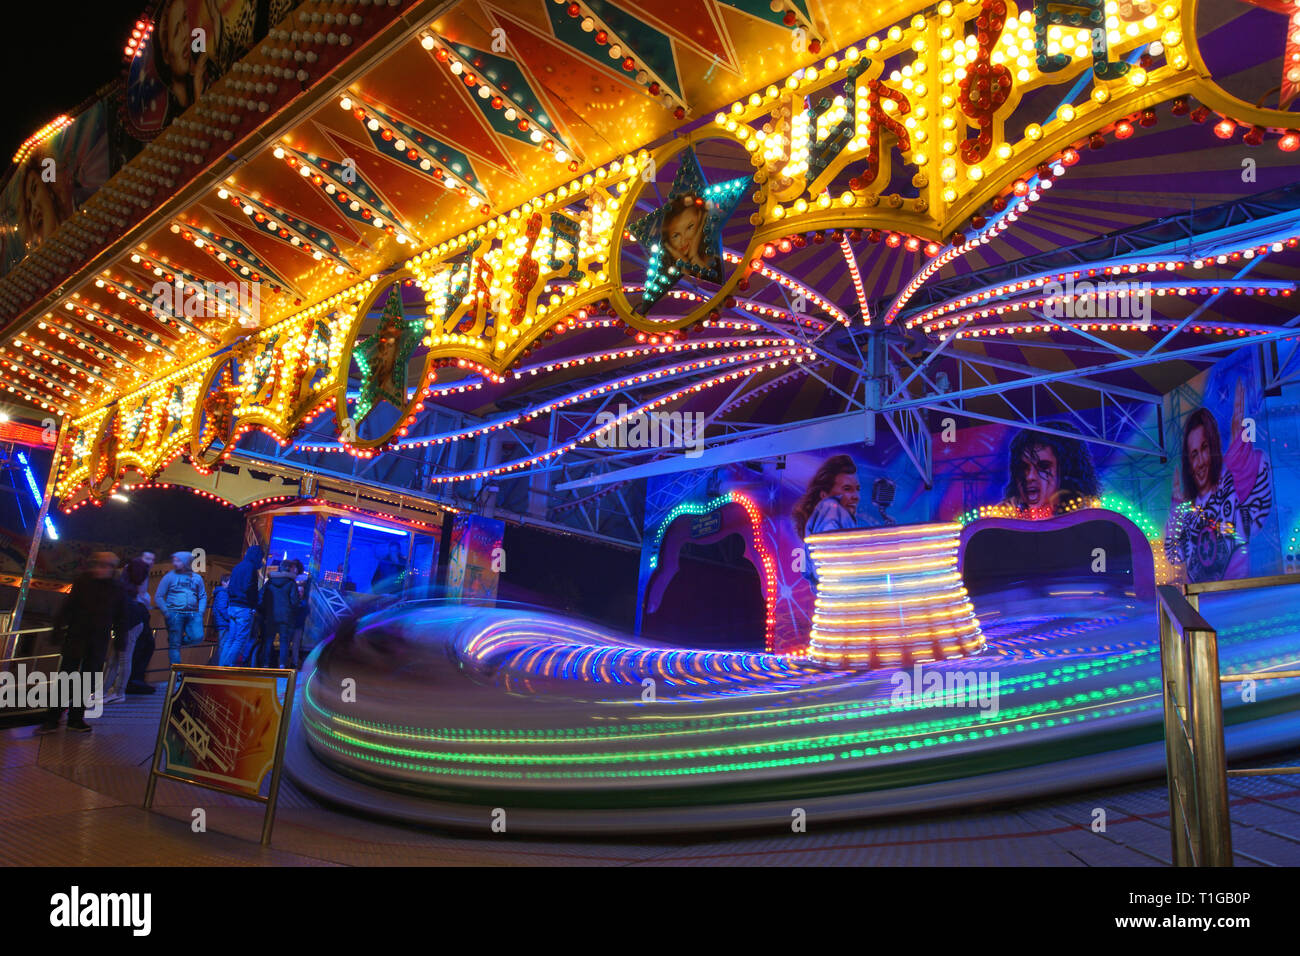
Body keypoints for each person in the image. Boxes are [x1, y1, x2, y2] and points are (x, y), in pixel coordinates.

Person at [1164, 406, 1271, 583]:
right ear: (1188, 462)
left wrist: (1240, 454)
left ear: (1213, 446)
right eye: (1194, 455)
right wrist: (1176, 508)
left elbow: (1257, 512)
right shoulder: (1188, 511)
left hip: (1235, 598)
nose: (1200, 462)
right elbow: (1174, 556)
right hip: (1201, 601)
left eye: (1205, 448)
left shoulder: (1232, 487)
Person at [38, 553, 128, 735]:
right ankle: (54, 718)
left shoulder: (116, 589)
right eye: (100, 564)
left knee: (85, 682)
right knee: (66, 679)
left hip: (95, 641)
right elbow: (68, 607)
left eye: (106, 565)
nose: (102, 568)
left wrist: (120, 640)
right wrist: (58, 630)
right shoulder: (84, 582)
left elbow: (120, 617)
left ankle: (74, 719)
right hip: (77, 638)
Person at [1001, 424, 1100, 516]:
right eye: (1023, 468)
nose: (1029, 477)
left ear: (1067, 471)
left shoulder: (1087, 517)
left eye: (1043, 467)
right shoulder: (1006, 518)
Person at [103, 558, 149, 702]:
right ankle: (106, 691)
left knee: (121, 659)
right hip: (129, 623)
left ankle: (118, 693)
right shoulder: (131, 587)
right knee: (115, 659)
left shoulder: (123, 586)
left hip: (128, 624)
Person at [793, 454, 862, 540]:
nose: (856, 496)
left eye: (857, 489)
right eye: (847, 489)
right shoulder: (830, 519)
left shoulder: (837, 522)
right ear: (824, 495)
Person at [155, 551, 207, 665]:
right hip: (174, 614)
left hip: (192, 614)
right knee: (175, 646)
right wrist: (166, 612)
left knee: (198, 637)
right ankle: (176, 675)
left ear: (186, 562)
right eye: (174, 560)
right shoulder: (169, 577)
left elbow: (202, 595)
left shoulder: (197, 578)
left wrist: (201, 612)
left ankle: (175, 641)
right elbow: (158, 596)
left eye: (178, 560)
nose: (174, 563)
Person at [659, 193, 720, 280]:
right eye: (676, 235)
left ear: (701, 222)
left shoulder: (719, 265)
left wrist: (694, 256)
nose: (683, 240)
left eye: (689, 227)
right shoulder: (667, 275)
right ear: (668, 241)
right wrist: (685, 268)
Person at [220, 544, 263, 666]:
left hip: (232, 606)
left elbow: (231, 587)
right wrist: (253, 606)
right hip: (244, 607)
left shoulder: (238, 567)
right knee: (240, 640)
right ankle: (227, 667)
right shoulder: (251, 568)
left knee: (231, 639)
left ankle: (221, 666)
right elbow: (250, 588)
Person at [258, 559, 301, 668]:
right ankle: (282, 665)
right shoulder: (291, 583)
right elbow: (295, 601)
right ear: (288, 569)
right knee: (284, 643)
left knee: (268, 641)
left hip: (270, 615)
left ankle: (265, 664)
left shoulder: (270, 582)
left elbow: (261, 597)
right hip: (286, 618)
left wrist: (264, 610)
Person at [125, 552, 157, 692]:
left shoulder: (137, 569)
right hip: (137, 608)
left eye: (152, 560)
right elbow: (140, 591)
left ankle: (134, 679)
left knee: (143, 645)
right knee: (142, 645)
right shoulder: (138, 569)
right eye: (148, 558)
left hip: (137, 608)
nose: (150, 562)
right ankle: (134, 680)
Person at [287, 560, 311, 669]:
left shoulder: (294, 581)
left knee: (291, 643)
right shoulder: (303, 602)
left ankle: (291, 663)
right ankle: (293, 663)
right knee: (294, 643)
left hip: (293, 622)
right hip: (296, 623)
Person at [210, 572, 231, 656]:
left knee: (222, 644)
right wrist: (229, 618)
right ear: (224, 582)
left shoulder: (221, 592)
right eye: (230, 581)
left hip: (221, 622)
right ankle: (221, 665)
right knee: (223, 645)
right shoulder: (223, 593)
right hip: (223, 623)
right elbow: (222, 608)